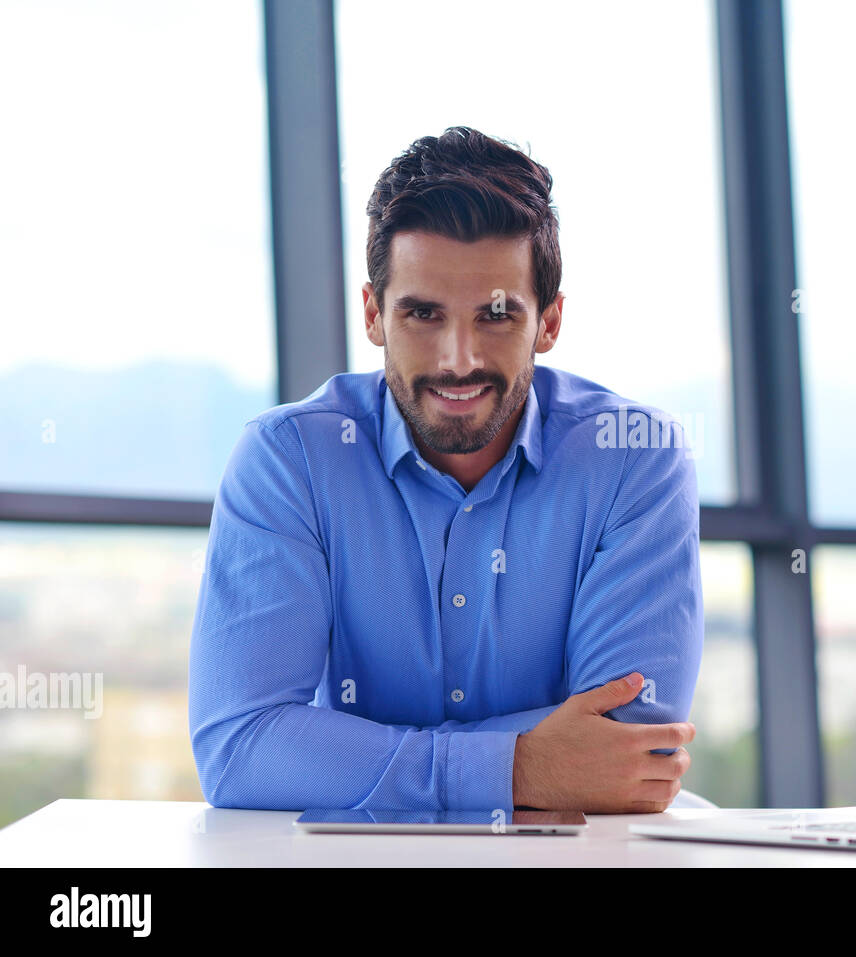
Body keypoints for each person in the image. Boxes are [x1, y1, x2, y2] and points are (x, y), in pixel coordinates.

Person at [189, 127, 702, 813]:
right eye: (423, 314)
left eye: (496, 316)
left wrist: (342, 754)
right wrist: (519, 767)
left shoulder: (634, 456)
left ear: (548, 322)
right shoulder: (291, 460)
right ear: (374, 314)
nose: (458, 359)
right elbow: (243, 750)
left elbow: (628, 753)